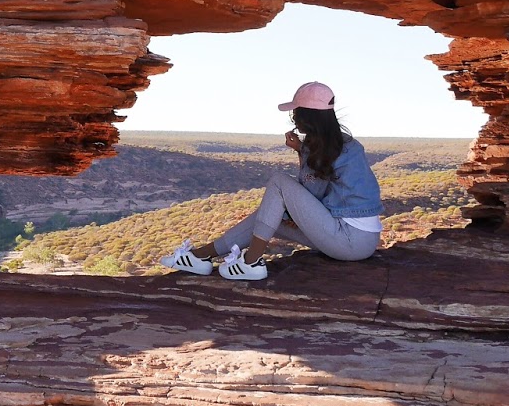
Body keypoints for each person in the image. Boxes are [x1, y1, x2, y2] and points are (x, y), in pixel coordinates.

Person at [161, 81, 383, 282]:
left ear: (307, 116)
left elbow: (308, 191)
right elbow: (316, 191)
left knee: (279, 182)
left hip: (349, 239)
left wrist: (300, 152)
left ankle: (251, 262)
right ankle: (200, 257)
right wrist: (302, 150)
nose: (293, 118)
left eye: (295, 112)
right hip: (359, 239)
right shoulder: (344, 144)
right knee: (269, 217)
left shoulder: (327, 150)